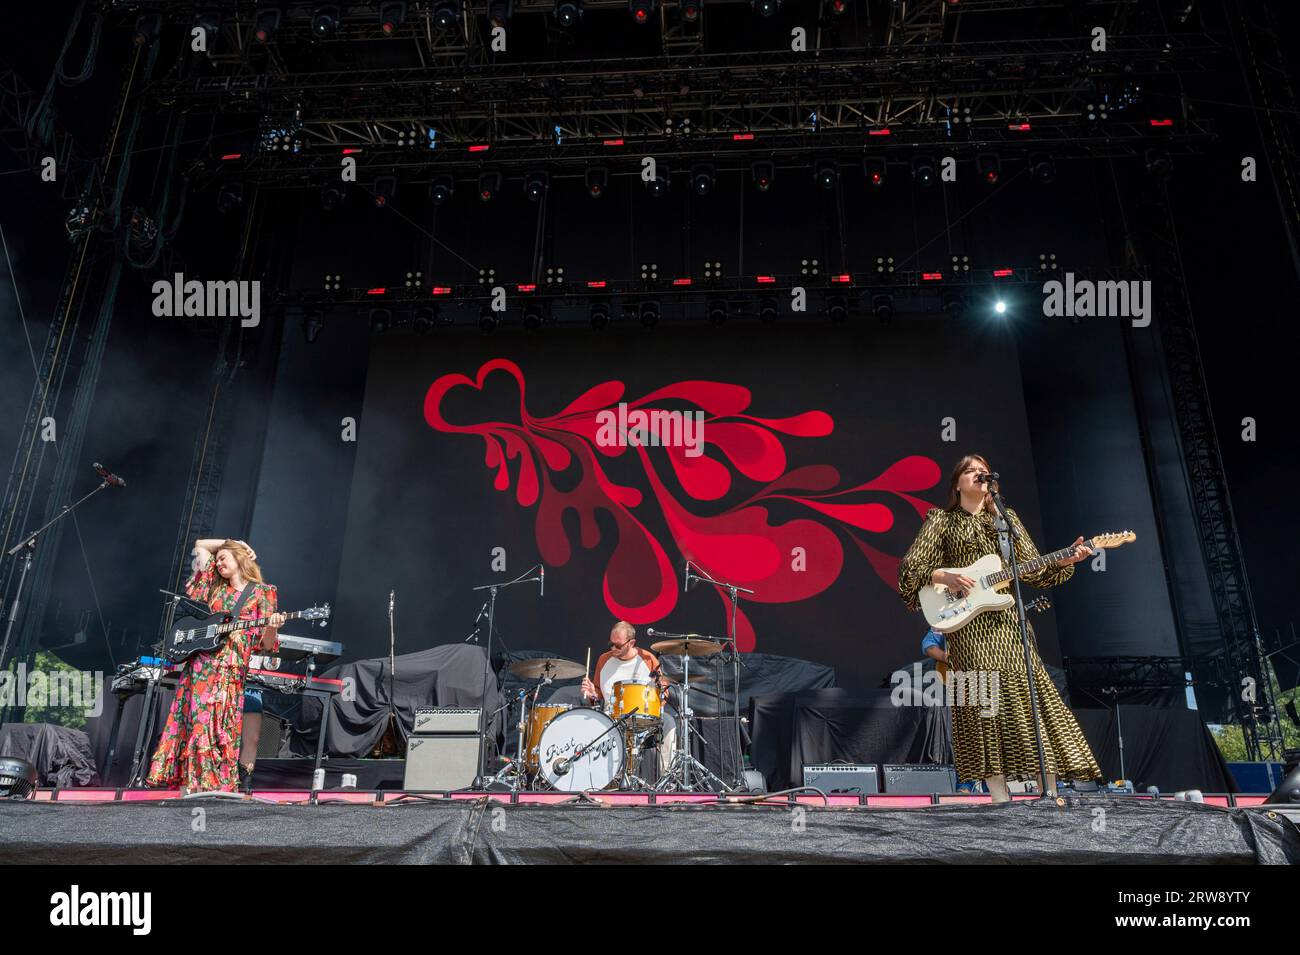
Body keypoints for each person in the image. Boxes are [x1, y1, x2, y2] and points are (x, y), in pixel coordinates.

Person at [897, 455, 1102, 803]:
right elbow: (910, 569)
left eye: (983, 469)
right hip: (968, 629)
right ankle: (998, 796)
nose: (979, 473)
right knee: (981, 701)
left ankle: (1049, 791)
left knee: (1030, 701)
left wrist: (1066, 559)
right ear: (957, 483)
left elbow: (1034, 570)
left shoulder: (1006, 520)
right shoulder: (942, 520)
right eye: (970, 470)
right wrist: (942, 575)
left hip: (1008, 623)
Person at [147, 539, 285, 795]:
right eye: (218, 559)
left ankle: (215, 784)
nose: (219, 562)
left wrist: (273, 625)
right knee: (197, 723)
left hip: (230, 671)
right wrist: (231, 542)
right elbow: (200, 545)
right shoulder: (215, 587)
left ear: (240, 560)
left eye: (224, 558)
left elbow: (267, 644)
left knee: (221, 725)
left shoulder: (263, 592)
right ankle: (191, 785)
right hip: (201, 666)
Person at [581, 621, 676, 778]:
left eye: (617, 646)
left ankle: (668, 779)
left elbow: (663, 692)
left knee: (669, 722)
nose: (612, 649)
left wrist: (656, 701)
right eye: (610, 644)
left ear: (631, 643)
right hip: (611, 718)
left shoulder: (647, 660)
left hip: (644, 719)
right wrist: (593, 693)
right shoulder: (603, 660)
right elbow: (597, 693)